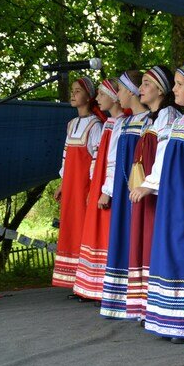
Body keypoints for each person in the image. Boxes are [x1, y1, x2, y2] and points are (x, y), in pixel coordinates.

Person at [132, 62, 184, 341]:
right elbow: (162, 159)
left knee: (183, 252)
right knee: (169, 250)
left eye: (179, 84)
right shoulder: (179, 121)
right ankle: (167, 320)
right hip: (170, 197)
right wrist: (149, 184)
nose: (174, 89)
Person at [125, 65, 180, 320]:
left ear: (160, 90)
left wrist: (149, 184)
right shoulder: (153, 118)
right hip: (148, 190)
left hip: (158, 192)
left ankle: (158, 303)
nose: (141, 88)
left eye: (147, 83)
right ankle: (147, 304)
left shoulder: (168, 116)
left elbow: (164, 154)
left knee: (155, 241)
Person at [100, 71, 149, 319]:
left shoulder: (149, 121)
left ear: (131, 91)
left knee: (138, 237)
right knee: (122, 235)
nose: (117, 95)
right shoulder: (123, 123)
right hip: (121, 188)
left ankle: (140, 300)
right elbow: (112, 160)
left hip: (140, 189)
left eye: (120, 89)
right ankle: (120, 299)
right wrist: (108, 190)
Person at [73, 78, 127, 301]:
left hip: (109, 185)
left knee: (106, 232)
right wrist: (94, 182)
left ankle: (108, 287)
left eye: (103, 94)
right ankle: (94, 285)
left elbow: (114, 160)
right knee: (96, 231)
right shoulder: (108, 123)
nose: (98, 98)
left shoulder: (121, 123)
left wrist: (106, 189)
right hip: (100, 183)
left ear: (115, 97)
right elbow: (98, 156)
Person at [52, 77, 104, 289]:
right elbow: (66, 157)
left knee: (83, 228)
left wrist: (93, 188)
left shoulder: (95, 125)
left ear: (89, 96)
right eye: (72, 90)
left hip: (84, 186)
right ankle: (73, 280)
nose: (73, 94)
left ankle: (87, 281)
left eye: (78, 91)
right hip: (71, 186)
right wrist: (63, 183)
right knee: (70, 227)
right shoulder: (71, 124)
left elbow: (97, 160)